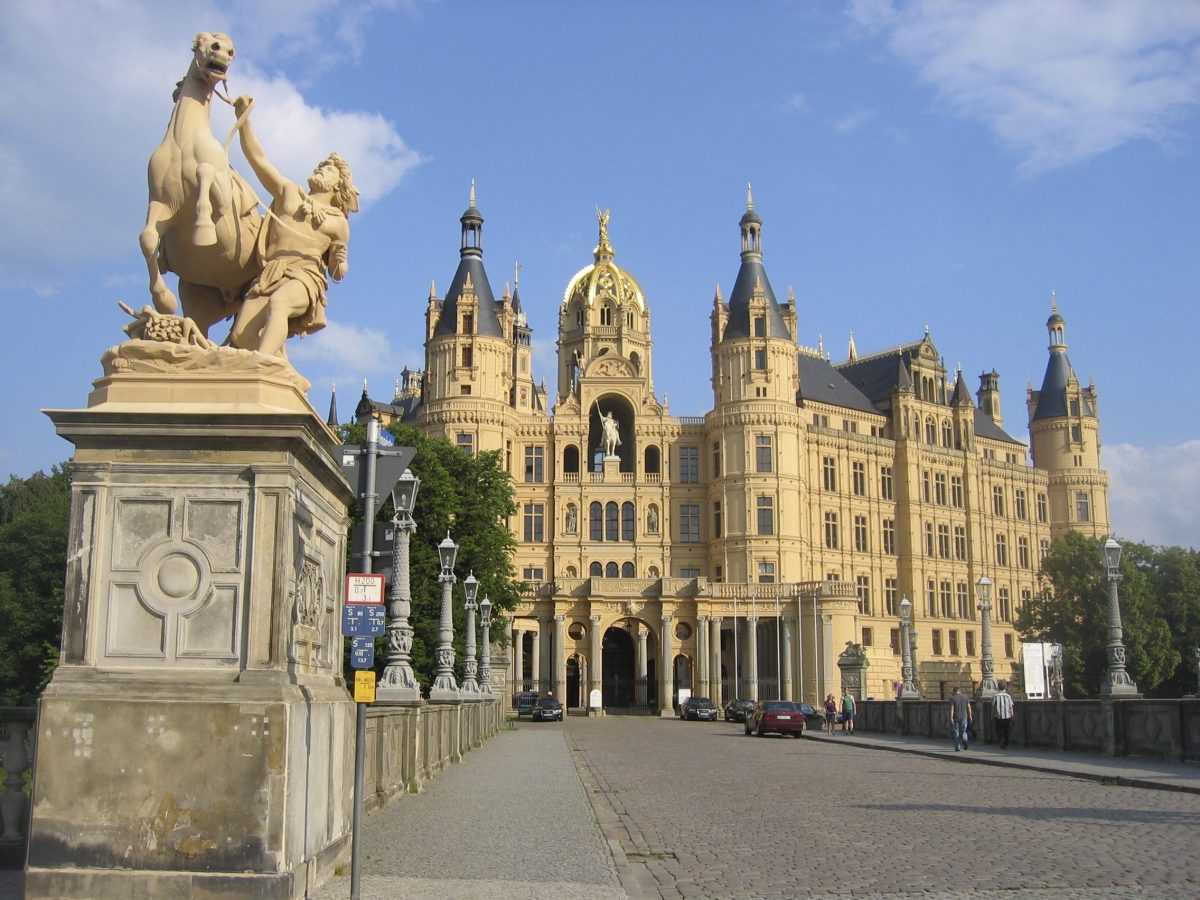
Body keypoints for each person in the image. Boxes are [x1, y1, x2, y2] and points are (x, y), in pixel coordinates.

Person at [228, 94, 358, 358]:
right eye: (321, 165)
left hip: (304, 276)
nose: (321, 169)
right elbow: (258, 159)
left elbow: (336, 271)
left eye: (329, 169)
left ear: (338, 184)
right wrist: (243, 120)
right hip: (270, 272)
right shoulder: (288, 193)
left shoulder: (338, 222)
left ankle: (261, 366)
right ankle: (278, 364)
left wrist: (340, 261)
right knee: (241, 335)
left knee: (280, 304)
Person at [993, 680, 1015, 749]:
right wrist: (1012, 715)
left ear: (998, 687)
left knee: (998, 729)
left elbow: (993, 707)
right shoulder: (1008, 696)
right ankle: (1006, 743)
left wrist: (992, 715)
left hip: (998, 716)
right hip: (1007, 716)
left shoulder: (995, 696)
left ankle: (1001, 739)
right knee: (1006, 730)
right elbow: (1011, 707)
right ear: (1005, 687)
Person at [949, 686, 972, 751]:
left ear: (954, 691)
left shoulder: (953, 698)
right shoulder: (965, 697)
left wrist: (951, 717)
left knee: (956, 731)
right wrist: (970, 716)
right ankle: (964, 739)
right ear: (960, 691)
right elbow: (969, 707)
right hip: (964, 716)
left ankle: (957, 747)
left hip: (956, 717)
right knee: (964, 730)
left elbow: (952, 709)